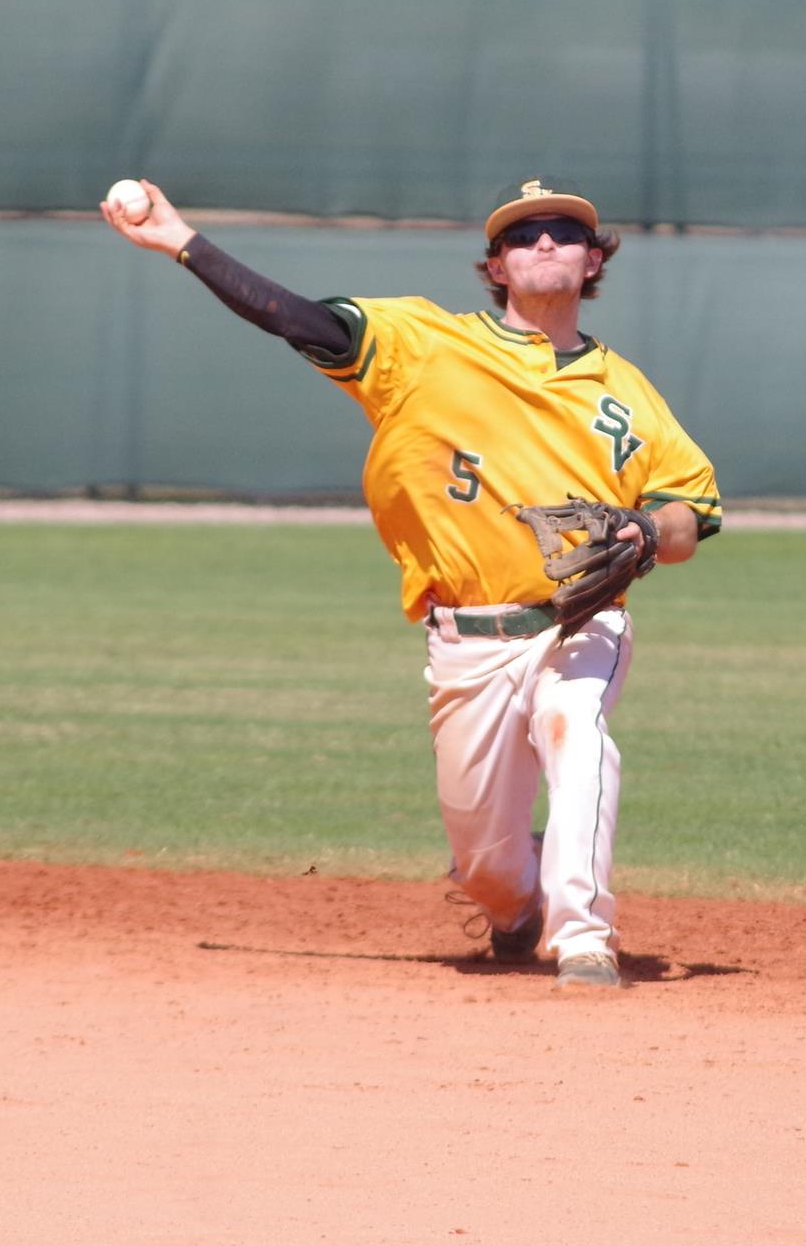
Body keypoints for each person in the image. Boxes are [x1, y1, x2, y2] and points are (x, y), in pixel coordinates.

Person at [102, 177, 721, 990]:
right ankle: (516, 904)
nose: (544, 243)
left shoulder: (628, 392)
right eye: (522, 233)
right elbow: (300, 320)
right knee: (487, 870)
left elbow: (694, 515)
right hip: (466, 640)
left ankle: (584, 939)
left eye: (565, 232)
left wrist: (648, 529)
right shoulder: (423, 343)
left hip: (579, 623)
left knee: (581, 735)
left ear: (594, 258)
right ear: (494, 264)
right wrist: (185, 242)